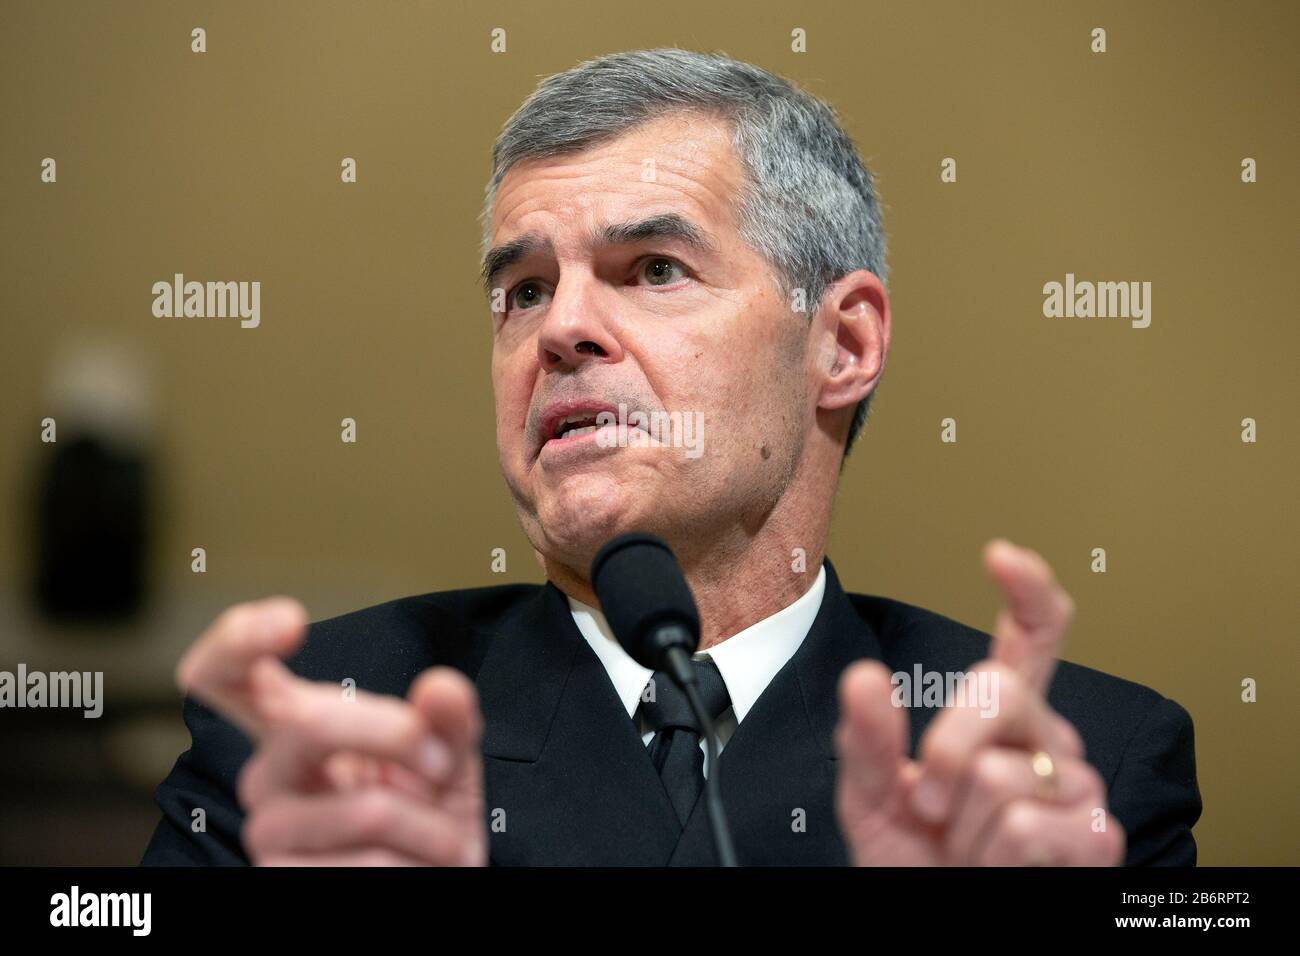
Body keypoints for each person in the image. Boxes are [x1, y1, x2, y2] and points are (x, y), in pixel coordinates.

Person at [142, 48, 1200, 867]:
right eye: (522, 290)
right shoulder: (319, 729)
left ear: (843, 344)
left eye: (651, 268)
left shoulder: (1076, 765)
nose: (562, 329)